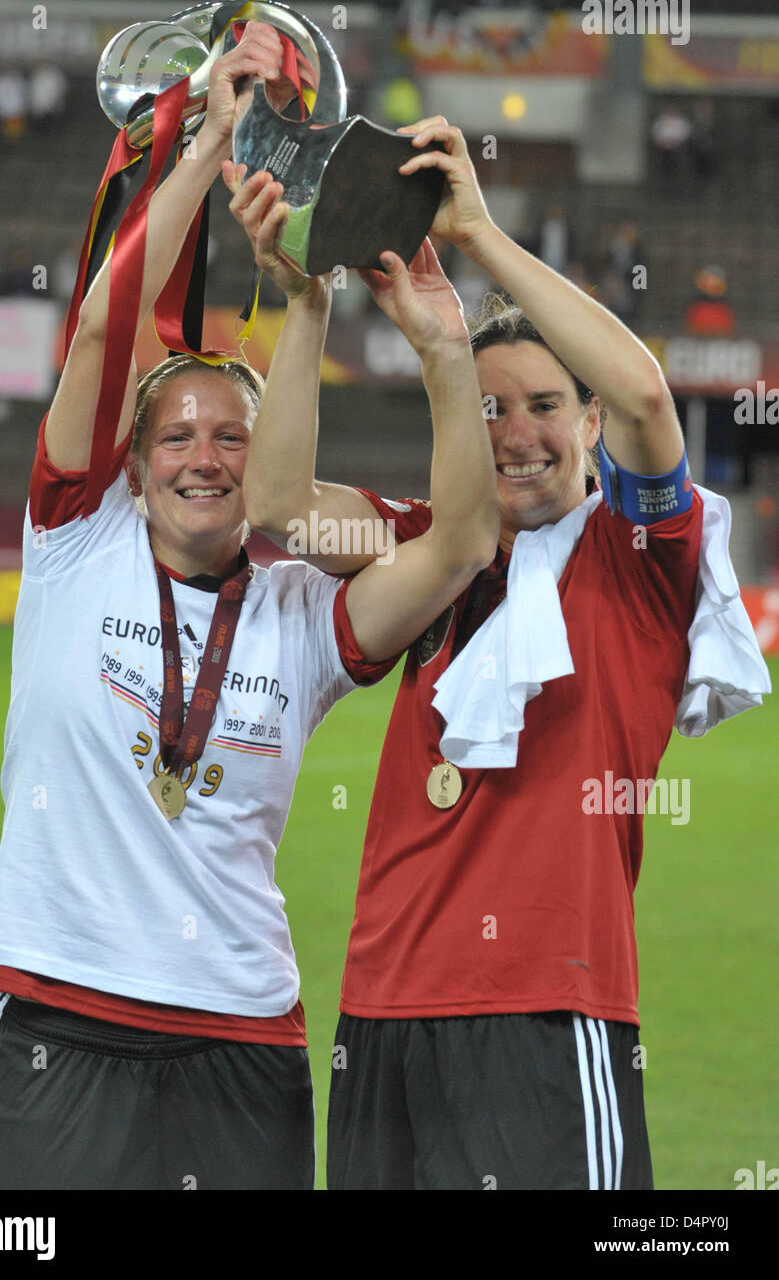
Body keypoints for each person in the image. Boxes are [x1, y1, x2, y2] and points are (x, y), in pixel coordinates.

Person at [0, 35, 496, 1191]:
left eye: (231, 436)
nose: (201, 459)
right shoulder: (75, 536)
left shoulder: (305, 608)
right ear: (133, 461)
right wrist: (210, 135)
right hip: (63, 1015)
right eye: (173, 435)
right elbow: (109, 329)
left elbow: (459, 544)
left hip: (240, 1037)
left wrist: (389, 327)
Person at [228, 118, 769, 1190]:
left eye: (541, 405)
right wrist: (303, 303)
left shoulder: (640, 557)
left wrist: (471, 230)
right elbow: (279, 509)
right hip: (382, 1008)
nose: (514, 431)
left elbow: (648, 395)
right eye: (487, 407)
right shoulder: (425, 547)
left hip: (546, 1007)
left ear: (583, 424)